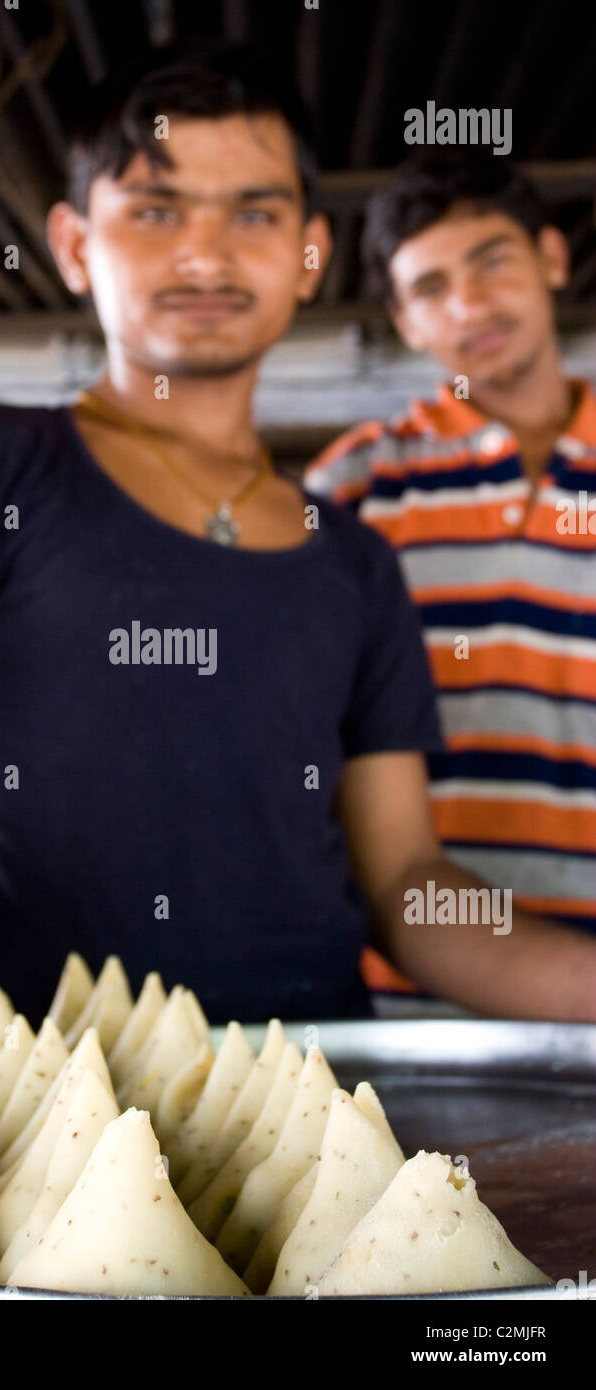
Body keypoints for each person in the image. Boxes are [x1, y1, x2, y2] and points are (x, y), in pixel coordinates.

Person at [0, 47, 594, 1057]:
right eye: (154, 209)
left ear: (311, 253)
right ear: (71, 242)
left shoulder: (352, 556)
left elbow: (406, 884)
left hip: (304, 1124)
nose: (203, 255)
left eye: (254, 213)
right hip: (21, 1129)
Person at [306, 151, 596, 994]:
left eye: (493, 262)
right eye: (431, 287)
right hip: (410, 995)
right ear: (403, 320)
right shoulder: (352, 489)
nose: (470, 305)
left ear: (551, 258)